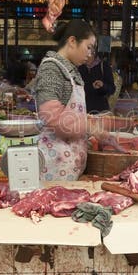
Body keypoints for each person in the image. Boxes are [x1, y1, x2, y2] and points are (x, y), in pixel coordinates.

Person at [31, 19, 108, 181]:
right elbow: (52, 119)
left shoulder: (70, 69)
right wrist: (90, 127)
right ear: (72, 41)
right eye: (88, 47)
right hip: (53, 167)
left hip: (68, 167)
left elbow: (70, 113)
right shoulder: (51, 69)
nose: (90, 54)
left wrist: (95, 122)